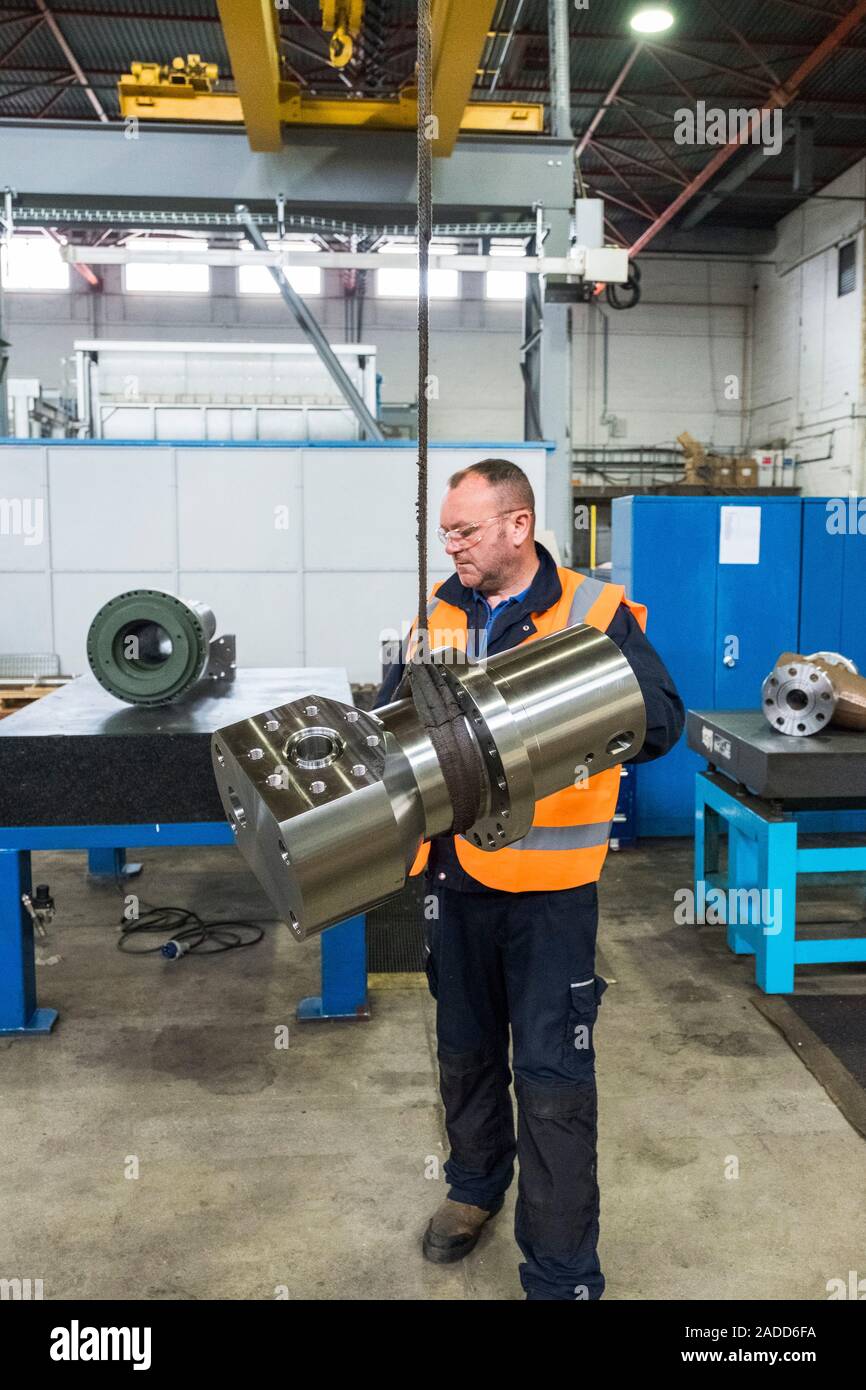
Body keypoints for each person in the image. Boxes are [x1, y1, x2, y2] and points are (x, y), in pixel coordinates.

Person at [375, 458, 684, 1301]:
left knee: (552, 1077)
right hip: (456, 878)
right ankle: (475, 1186)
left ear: (519, 526)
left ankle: (559, 1270)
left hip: (550, 891)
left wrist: (544, 721)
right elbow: (391, 726)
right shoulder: (437, 613)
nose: (453, 546)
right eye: (446, 532)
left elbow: (661, 722)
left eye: (466, 531)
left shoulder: (596, 613)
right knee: (465, 1049)